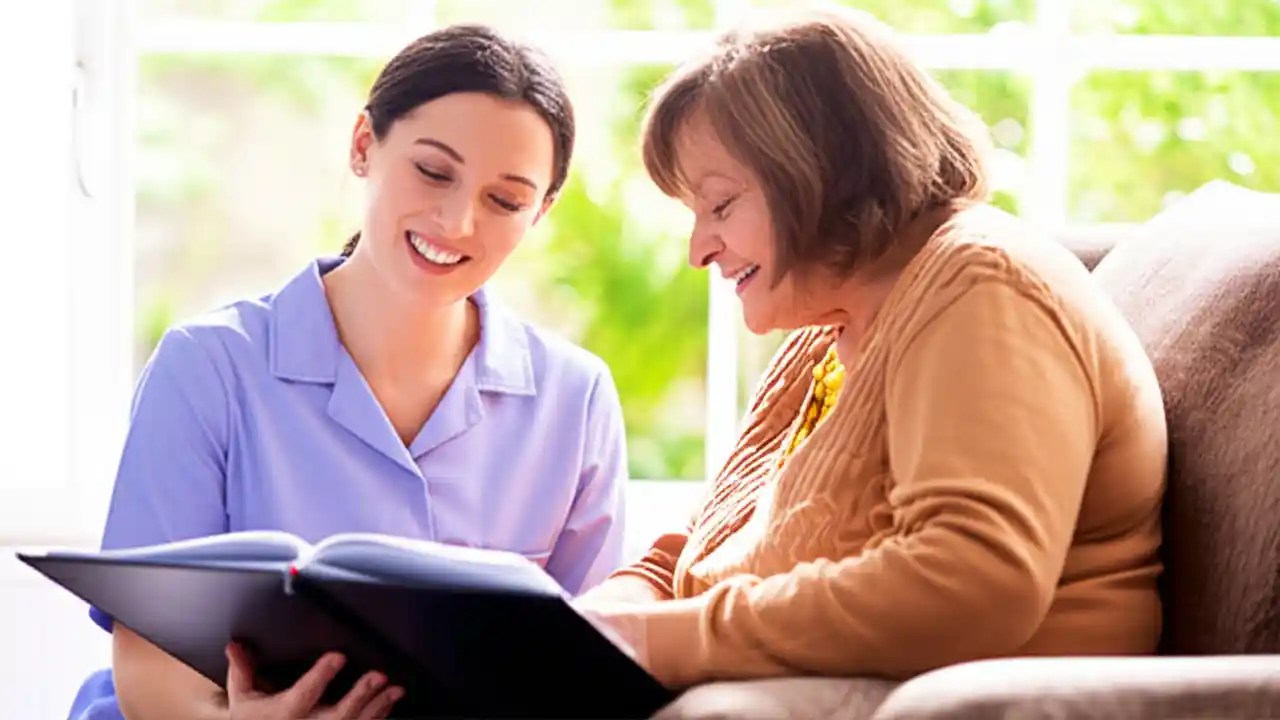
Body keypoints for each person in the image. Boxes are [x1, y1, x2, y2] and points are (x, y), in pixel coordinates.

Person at [575, 5, 1168, 697]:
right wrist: (608, 617)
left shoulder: (980, 286)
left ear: (820, 173)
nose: (697, 250)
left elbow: (973, 582)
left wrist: (665, 640)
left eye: (722, 205)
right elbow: (706, 543)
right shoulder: (832, 326)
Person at [68, 24, 629, 720]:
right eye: (433, 171)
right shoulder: (206, 368)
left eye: (505, 200)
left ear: (541, 212)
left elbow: (593, 655)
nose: (457, 221)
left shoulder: (574, 400)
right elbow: (146, 665)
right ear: (364, 145)